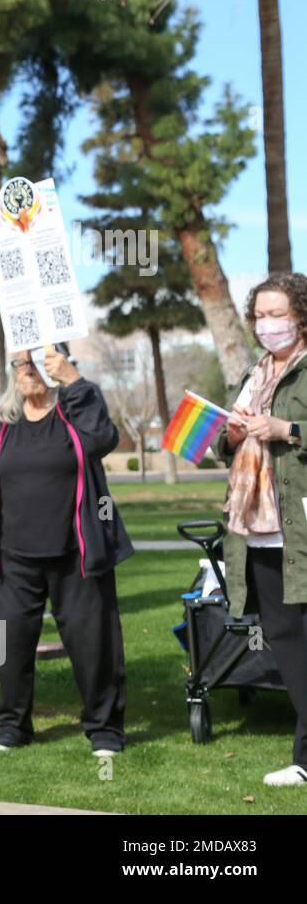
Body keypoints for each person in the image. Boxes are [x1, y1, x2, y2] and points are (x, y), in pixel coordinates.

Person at [0, 346, 132, 755]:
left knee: (94, 644)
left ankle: (104, 729)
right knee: (12, 645)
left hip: (76, 551)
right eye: (20, 363)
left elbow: (104, 438)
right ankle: (13, 725)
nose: (28, 370)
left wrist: (75, 382)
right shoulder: (2, 423)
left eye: (37, 362)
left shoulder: (75, 413)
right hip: (13, 557)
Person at [214, 274, 307, 787]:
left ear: (301, 314)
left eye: (278, 314)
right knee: (286, 637)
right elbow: (222, 448)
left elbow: (291, 433)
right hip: (258, 526)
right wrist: (229, 434)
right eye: (261, 316)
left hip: (301, 522)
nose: (268, 325)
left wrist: (286, 430)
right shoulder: (255, 372)